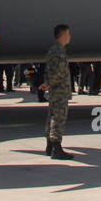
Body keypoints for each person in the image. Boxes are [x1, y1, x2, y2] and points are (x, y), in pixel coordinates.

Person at [41, 24, 74, 159]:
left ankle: (49, 146)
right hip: (60, 90)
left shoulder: (52, 50)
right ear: (63, 35)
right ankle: (56, 148)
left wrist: (47, 83)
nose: (70, 36)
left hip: (55, 90)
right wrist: (49, 83)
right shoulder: (59, 52)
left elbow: (48, 70)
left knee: (52, 116)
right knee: (58, 118)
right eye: (68, 34)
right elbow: (59, 73)